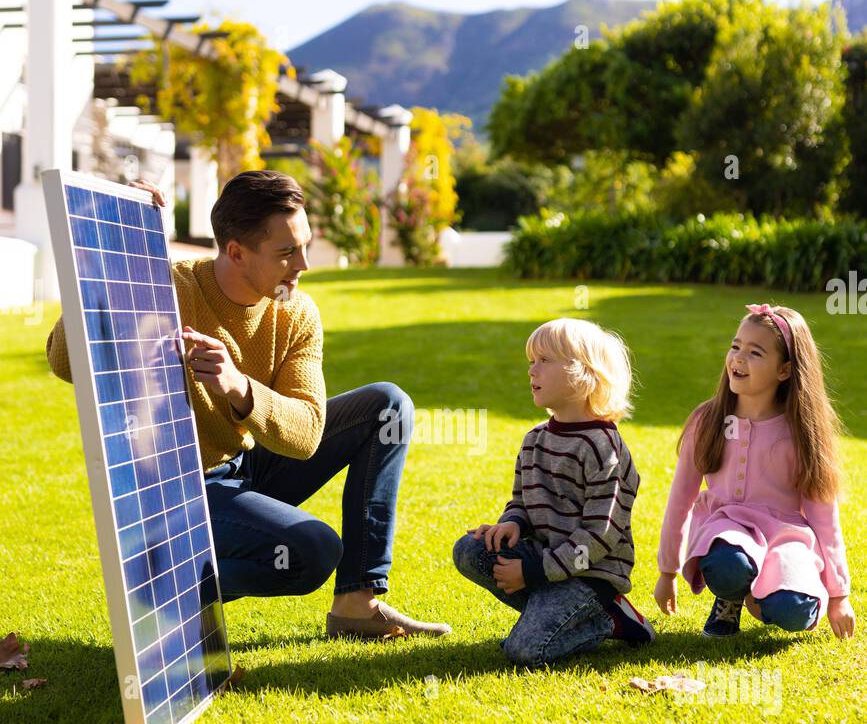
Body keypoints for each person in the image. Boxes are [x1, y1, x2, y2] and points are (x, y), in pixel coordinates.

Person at [45, 170, 450, 640]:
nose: (303, 264)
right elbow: (63, 361)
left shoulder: (295, 311)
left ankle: (357, 604)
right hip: (178, 490)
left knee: (387, 407)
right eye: (286, 253)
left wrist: (240, 389)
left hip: (242, 467)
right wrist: (119, 250)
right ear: (236, 252)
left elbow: (305, 435)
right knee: (313, 551)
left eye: (304, 246)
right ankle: (169, 589)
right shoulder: (168, 288)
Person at [451, 317, 655, 667]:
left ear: (584, 373)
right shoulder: (535, 439)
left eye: (544, 361)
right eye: (531, 361)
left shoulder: (603, 447)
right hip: (546, 559)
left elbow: (600, 536)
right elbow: (522, 501)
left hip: (590, 573)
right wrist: (512, 524)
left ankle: (611, 618)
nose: (532, 371)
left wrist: (533, 572)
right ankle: (549, 613)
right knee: (470, 550)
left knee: (526, 651)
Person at [654, 303, 855, 640]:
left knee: (795, 613)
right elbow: (680, 501)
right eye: (735, 347)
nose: (738, 358)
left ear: (785, 370)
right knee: (728, 564)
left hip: (786, 537)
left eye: (755, 352)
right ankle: (729, 597)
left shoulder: (802, 432)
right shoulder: (707, 421)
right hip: (726, 530)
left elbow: (825, 517)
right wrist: (667, 570)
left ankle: (760, 598)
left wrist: (839, 595)